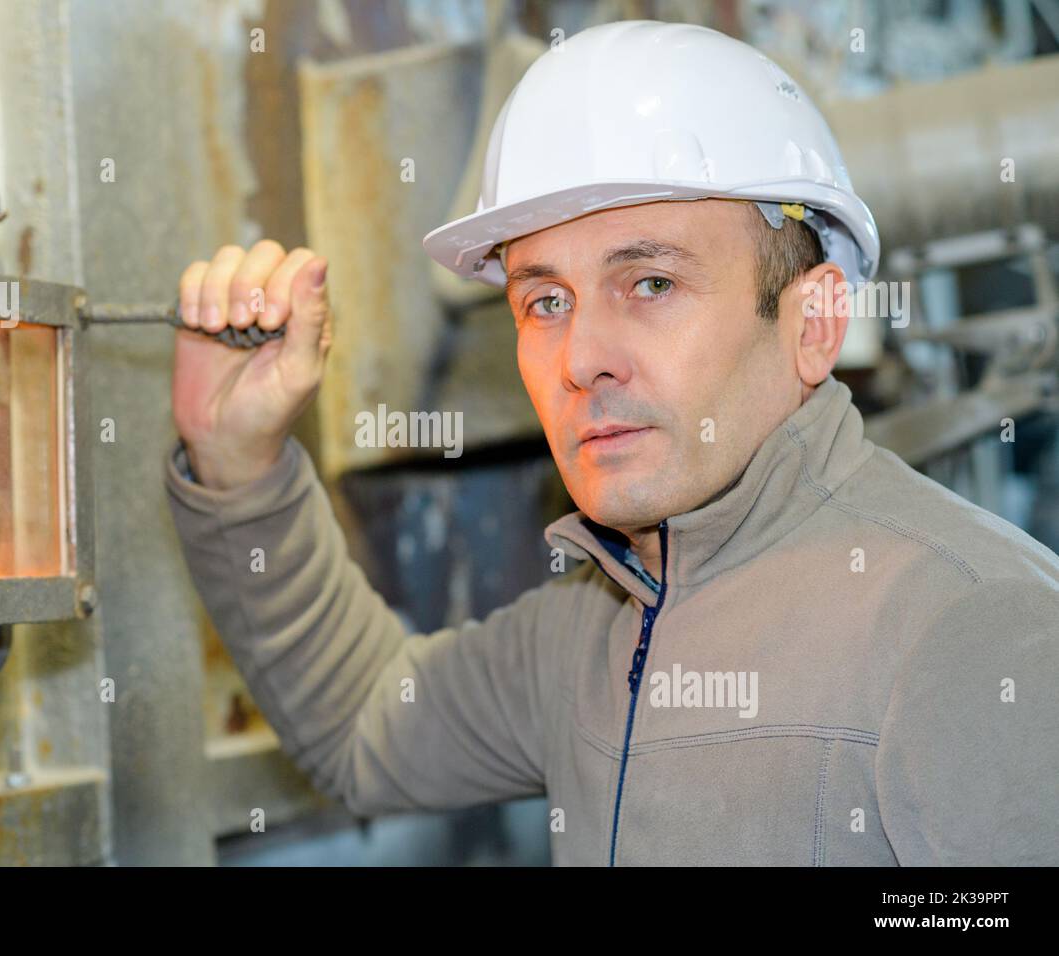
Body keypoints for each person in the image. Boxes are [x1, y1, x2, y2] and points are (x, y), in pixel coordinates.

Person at [164, 21, 1059, 865]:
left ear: (814, 322)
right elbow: (367, 728)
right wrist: (237, 463)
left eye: (653, 281)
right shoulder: (598, 619)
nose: (582, 359)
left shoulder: (976, 628)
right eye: (545, 301)